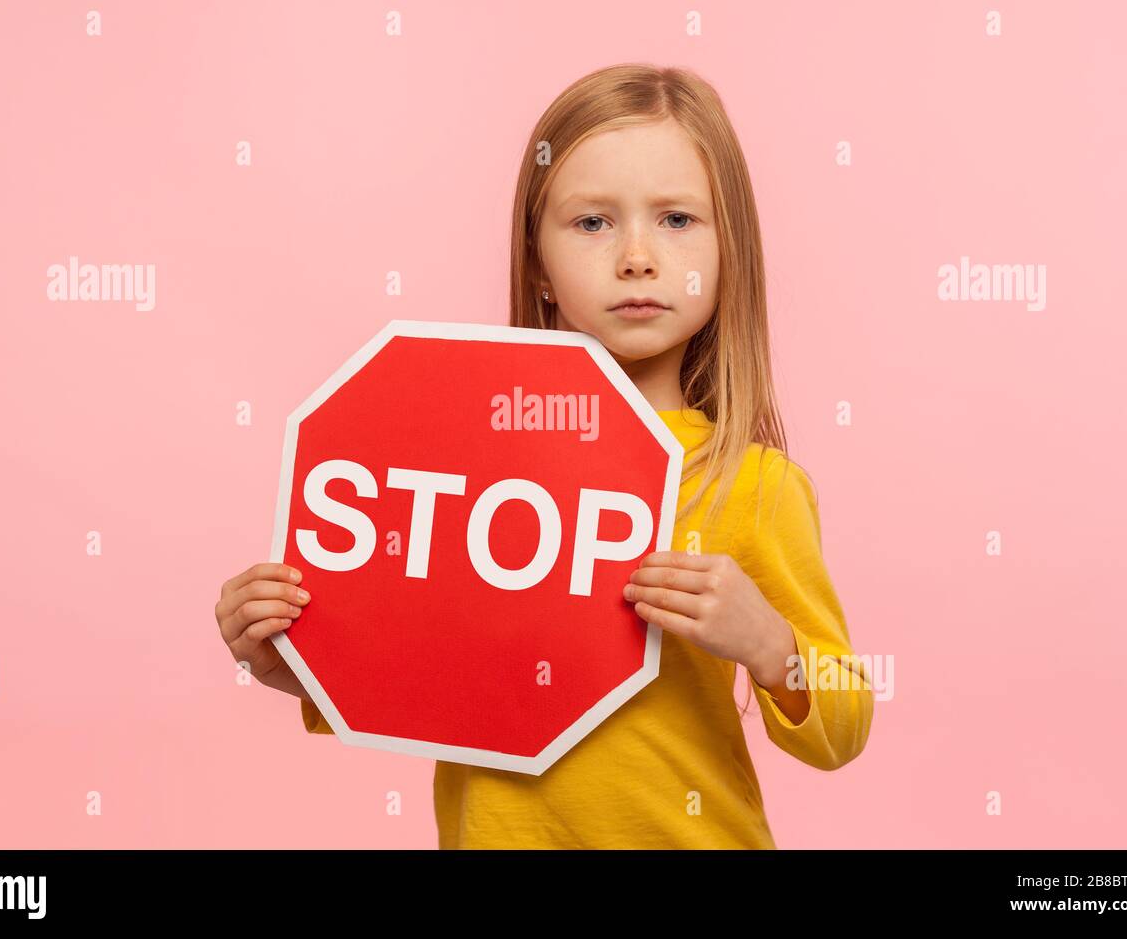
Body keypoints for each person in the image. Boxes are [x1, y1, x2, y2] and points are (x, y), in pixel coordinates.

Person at [214, 63, 873, 848]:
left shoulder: (753, 484)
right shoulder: (468, 466)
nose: (636, 256)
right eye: (593, 223)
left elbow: (843, 720)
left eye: (677, 219)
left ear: (731, 250)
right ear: (538, 267)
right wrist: (288, 657)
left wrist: (771, 646)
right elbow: (427, 670)